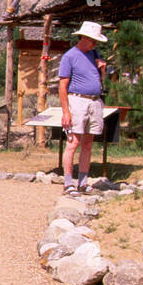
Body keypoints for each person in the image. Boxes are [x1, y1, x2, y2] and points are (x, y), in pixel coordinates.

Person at [58, 21, 109, 197]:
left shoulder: (94, 54)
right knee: (73, 142)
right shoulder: (70, 56)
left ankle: (83, 182)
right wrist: (66, 112)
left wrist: (102, 71)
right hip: (77, 101)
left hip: (94, 101)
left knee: (88, 143)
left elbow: (98, 81)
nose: (96, 45)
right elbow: (62, 86)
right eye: (94, 41)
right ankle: (68, 182)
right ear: (84, 38)